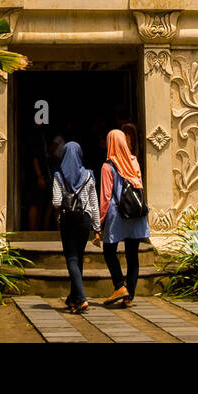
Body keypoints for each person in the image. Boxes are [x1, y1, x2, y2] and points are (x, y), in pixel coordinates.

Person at [98, 128, 150, 308]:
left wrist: (99, 222)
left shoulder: (108, 167)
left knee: (109, 251)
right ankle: (130, 297)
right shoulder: (134, 161)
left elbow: (105, 197)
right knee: (132, 255)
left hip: (117, 213)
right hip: (135, 213)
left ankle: (120, 286)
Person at [50, 141, 100, 314]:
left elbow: (56, 202)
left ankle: (82, 298)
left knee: (71, 258)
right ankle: (74, 298)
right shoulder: (89, 175)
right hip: (85, 219)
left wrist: (66, 197)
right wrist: (97, 227)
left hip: (67, 220)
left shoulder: (58, 175)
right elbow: (94, 203)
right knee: (78, 258)